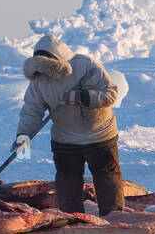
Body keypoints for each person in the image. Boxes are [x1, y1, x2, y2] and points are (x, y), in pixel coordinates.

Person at [15, 35, 124, 216]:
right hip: (65, 140)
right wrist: (23, 136)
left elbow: (111, 92)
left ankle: (114, 222)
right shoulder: (38, 80)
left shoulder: (86, 65)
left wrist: (85, 97)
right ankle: (71, 224)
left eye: (48, 69)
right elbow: (31, 110)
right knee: (67, 185)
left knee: (107, 181)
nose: (46, 76)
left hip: (99, 136)